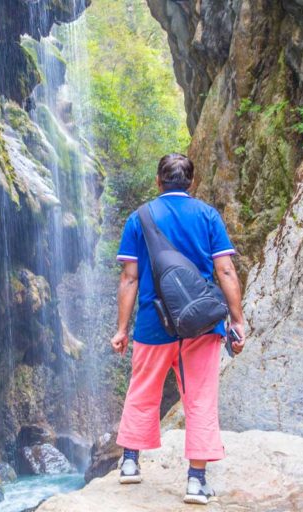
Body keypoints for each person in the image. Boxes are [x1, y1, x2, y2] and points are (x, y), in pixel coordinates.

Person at [110, 153, 245, 505]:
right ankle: (196, 482)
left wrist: (122, 329)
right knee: (200, 397)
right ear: (191, 182)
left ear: (158, 182)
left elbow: (129, 278)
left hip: (153, 323)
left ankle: (130, 463)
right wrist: (237, 320)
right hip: (201, 324)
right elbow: (225, 270)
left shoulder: (139, 218)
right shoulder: (207, 215)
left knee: (142, 389)